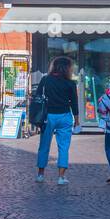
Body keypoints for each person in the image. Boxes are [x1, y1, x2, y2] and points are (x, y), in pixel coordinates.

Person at [35, 56, 80, 185]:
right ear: (67, 69)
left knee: (44, 145)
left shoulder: (45, 80)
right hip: (65, 116)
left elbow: (38, 97)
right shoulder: (70, 83)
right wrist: (76, 119)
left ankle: (40, 174)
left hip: (48, 116)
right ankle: (61, 177)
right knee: (64, 147)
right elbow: (74, 103)